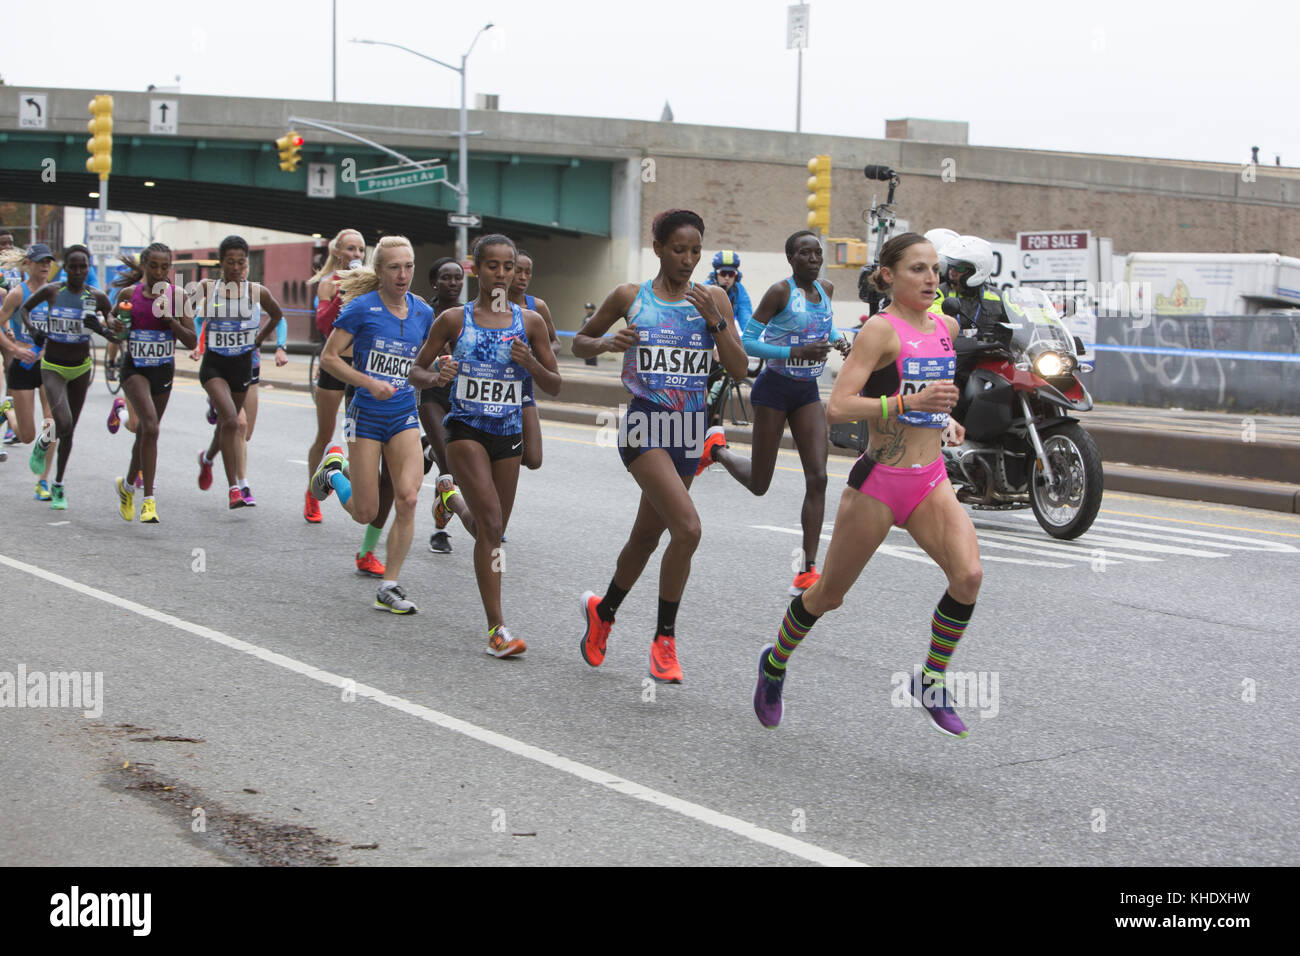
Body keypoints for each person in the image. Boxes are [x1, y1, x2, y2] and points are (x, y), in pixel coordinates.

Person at [751, 233, 983, 739]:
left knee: (967, 577)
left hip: (929, 480)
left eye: (934, 269)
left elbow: (934, 391)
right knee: (828, 595)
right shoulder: (879, 331)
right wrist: (906, 406)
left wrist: (946, 420)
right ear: (888, 276)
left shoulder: (947, 325)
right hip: (879, 481)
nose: (930, 279)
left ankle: (930, 678)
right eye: (917, 269)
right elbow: (838, 407)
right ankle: (775, 662)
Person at [571, 210, 748, 683]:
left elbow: (739, 368)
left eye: (696, 250)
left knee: (647, 538)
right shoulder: (632, 296)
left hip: (689, 431)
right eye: (679, 250)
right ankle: (664, 640)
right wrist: (608, 343)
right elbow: (579, 345)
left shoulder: (714, 300)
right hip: (645, 425)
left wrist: (715, 323)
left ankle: (603, 611)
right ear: (658, 249)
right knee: (687, 529)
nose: (689, 259)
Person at [409, 234, 561, 655]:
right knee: (491, 526)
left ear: (515, 271)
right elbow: (414, 373)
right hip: (466, 432)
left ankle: (449, 498)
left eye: (507, 266)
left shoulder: (528, 323)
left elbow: (555, 384)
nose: (500, 273)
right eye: (491, 266)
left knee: (487, 529)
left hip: (508, 434)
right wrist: (437, 374)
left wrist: (530, 363)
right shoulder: (455, 321)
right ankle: (497, 629)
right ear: (476, 269)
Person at [708, 230, 850, 595]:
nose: (814, 259)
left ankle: (807, 569)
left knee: (818, 477)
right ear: (791, 259)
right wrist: (795, 353)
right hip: (773, 390)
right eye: (805, 253)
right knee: (759, 483)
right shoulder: (779, 292)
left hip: (806, 392)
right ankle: (717, 451)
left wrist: (838, 339)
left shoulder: (827, 290)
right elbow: (749, 342)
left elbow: (823, 325)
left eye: (817, 253)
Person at [309, 235, 433, 614]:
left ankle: (389, 585)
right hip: (365, 416)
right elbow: (330, 359)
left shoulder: (422, 312)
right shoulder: (361, 309)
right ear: (379, 271)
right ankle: (333, 473)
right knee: (365, 511)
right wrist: (368, 381)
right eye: (394, 267)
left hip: (403, 415)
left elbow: (422, 363)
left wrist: (439, 371)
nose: (402, 275)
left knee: (409, 498)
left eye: (408, 266)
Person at [15, 245, 116, 509]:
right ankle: (43, 444)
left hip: (81, 368)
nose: (79, 271)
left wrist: (102, 330)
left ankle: (58, 484)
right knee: (63, 419)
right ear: (65, 267)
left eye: (84, 267)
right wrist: (34, 330)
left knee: (69, 431)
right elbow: (25, 310)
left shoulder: (97, 297)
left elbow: (119, 334)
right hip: (52, 366)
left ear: (89, 268)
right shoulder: (52, 291)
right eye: (73, 266)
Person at [192, 235, 285, 509]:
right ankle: (235, 489)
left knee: (226, 424)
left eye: (241, 262)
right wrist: (195, 339)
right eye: (230, 262)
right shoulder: (208, 288)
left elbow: (278, 316)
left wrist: (260, 340)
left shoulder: (257, 292)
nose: (235, 267)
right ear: (220, 263)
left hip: (242, 366)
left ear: (247, 264)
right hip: (214, 366)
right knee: (233, 422)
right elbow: (183, 310)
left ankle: (207, 459)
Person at [109, 243, 197, 523]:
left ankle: (126, 488)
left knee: (146, 433)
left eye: (164, 267)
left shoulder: (178, 296)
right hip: (134, 368)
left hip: (162, 370)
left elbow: (192, 340)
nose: (159, 272)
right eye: (153, 266)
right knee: (151, 426)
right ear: (144, 265)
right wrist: (116, 324)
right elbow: (112, 320)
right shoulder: (129, 294)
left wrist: (170, 320)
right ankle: (148, 500)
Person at [304, 228, 365, 522]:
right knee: (325, 433)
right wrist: (343, 295)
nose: (356, 255)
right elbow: (324, 325)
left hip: (359, 367)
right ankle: (312, 494)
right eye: (351, 249)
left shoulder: (369, 285)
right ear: (338, 252)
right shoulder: (328, 285)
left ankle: (338, 476)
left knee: (356, 435)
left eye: (361, 250)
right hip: (333, 364)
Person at [0, 242, 57, 494]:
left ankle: (42, 481)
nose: (45, 266)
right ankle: (8, 411)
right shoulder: (18, 294)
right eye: (41, 261)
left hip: (49, 365)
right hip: (23, 365)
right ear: (28, 264)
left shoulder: (55, 292)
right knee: (26, 436)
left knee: (53, 423)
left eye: (48, 262)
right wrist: (14, 350)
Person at [422, 256, 467, 555]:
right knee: (448, 461)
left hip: (461, 395)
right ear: (434, 282)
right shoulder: (423, 314)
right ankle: (440, 531)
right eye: (446, 277)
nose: (453, 283)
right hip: (430, 394)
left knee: (449, 458)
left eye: (458, 278)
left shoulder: (472, 315)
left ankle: (427, 449)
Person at [508, 248, 561, 475]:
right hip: (497, 385)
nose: (523, 277)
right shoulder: (490, 306)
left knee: (533, 458)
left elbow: (555, 342)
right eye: (518, 271)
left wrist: (536, 353)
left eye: (527, 273)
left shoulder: (536, 307)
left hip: (525, 386)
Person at [932, 234, 1003, 334]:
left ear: (977, 270)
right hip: (952, 348)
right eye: (951, 266)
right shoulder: (938, 292)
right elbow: (934, 322)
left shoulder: (999, 297)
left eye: (959, 268)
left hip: (989, 349)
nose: (952, 272)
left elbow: (1021, 322)